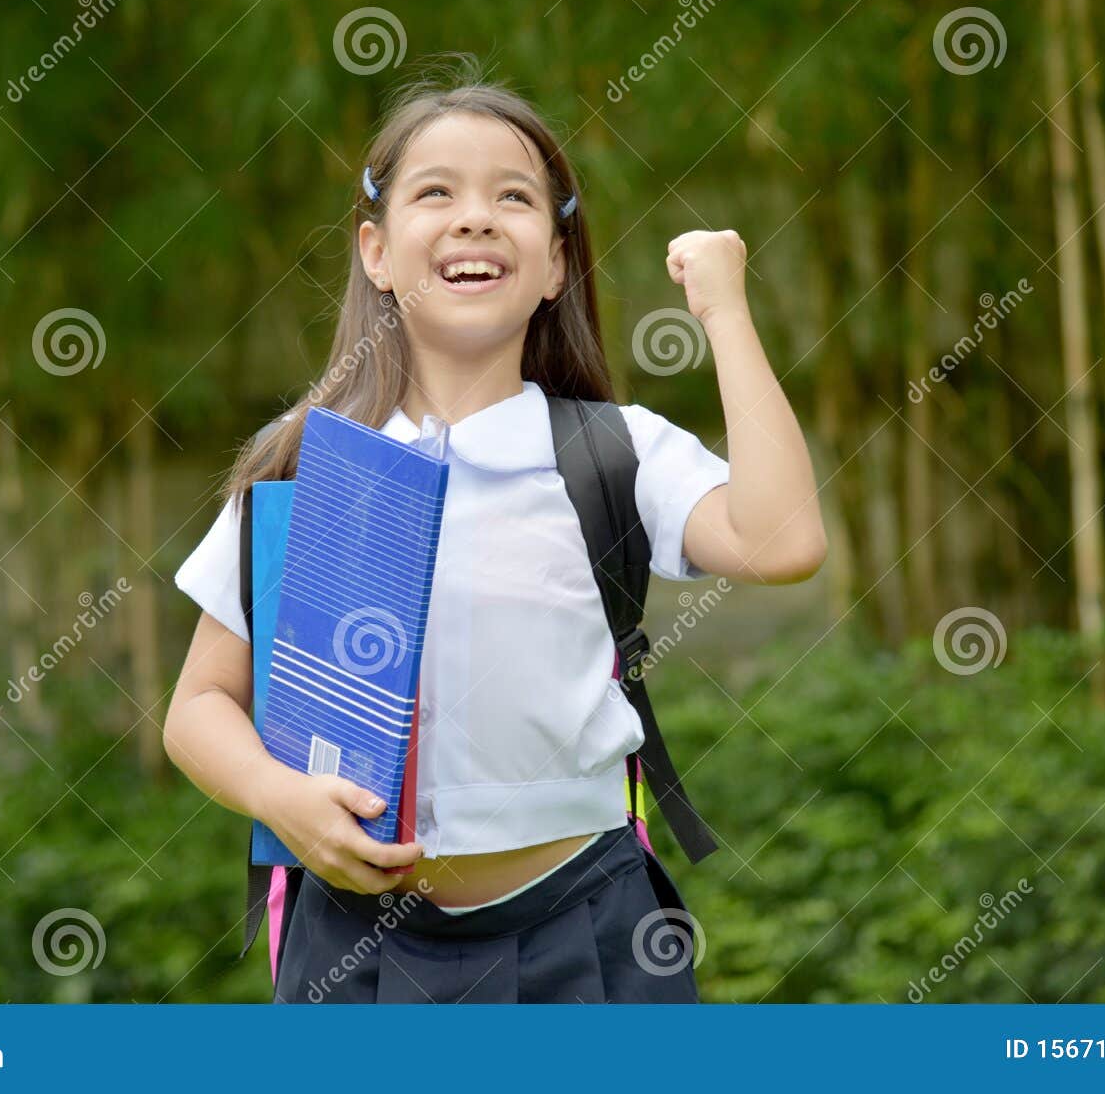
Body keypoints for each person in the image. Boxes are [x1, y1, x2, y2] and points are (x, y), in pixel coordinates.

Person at [163, 62, 827, 1003]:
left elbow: (784, 539)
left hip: (589, 931)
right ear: (376, 252)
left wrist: (723, 312)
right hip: (354, 951)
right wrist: (279, 799)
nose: (475, 217)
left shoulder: (610, 449)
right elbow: (196, 710)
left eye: (514, 197)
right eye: (436, 193)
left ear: (555, 264)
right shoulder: (309, 460)